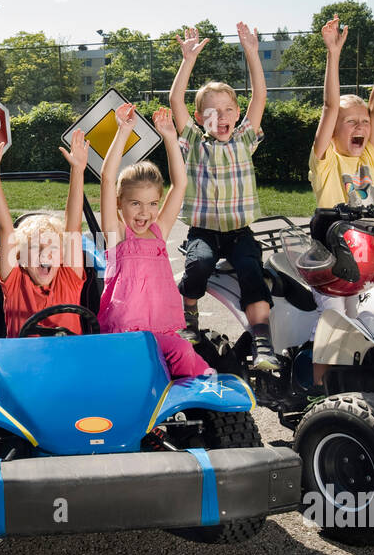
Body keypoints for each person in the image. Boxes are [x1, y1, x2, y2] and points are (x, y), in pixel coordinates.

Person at [169, 23, 278, 371]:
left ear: (236, 113)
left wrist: (251, 52)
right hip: (203, 231)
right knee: (198, 263)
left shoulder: (244, 139)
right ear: (201, 118)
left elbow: (260, 96)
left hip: (238, 232)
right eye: (213, 112)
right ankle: (190, 319)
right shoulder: (194, 142)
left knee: (250, 270)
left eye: (229, 110)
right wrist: (187, 60)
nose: (223, 117)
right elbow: (175, 100)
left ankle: (262, 341)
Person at [98, 103, 212, 379]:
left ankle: (189, 404)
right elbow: (106, 177)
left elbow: (180, 184)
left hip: (161, 331)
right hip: (125, 334)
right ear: (119, 203)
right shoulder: (118, 234)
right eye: (135, 203)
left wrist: (170, 138)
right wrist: (123, 131)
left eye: (152, 204)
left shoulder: (159, 230)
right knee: (143, 373)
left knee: (183, 352)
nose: (144, 212)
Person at [0, 125, 90, 337]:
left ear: (62, 256)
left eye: (52, 246)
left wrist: (78, 171)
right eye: (35, 247)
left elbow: (74, 227)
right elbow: (5, 228)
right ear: (20, 258)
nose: (45, 253)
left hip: (70, 364)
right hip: (22, 366)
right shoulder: (16, 282)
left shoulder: (68, 278)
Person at [309, 13, 374, 209]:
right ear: (333, 130)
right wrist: (333, 53)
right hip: (335, 238)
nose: (360, 126)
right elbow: (330, 107)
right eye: (351, 121)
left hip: (370, 237)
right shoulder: (325, 162)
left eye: (364, 121)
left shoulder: (369, 158)